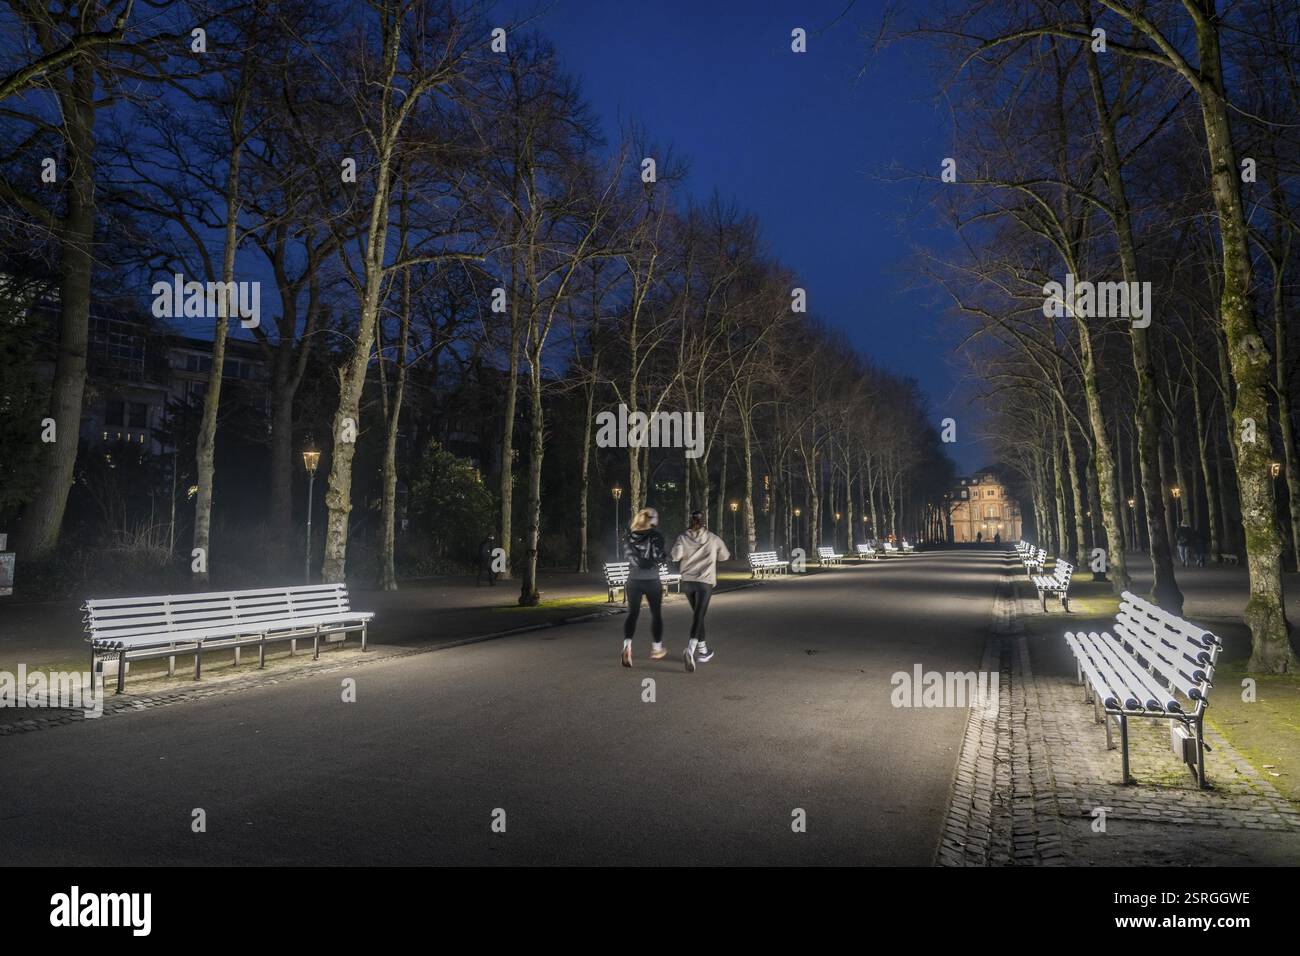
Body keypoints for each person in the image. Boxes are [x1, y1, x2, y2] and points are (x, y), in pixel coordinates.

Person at [671, 510, 731, 672]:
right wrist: (712, 553)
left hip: (688, 582)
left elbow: (675, 556)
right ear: (703, 522)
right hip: (705, 582)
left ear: (691, 521)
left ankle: (703, 651)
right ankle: (690, 650)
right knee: (699, 615)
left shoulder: (682, 537)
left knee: (698, 615)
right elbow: (725, 556)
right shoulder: (713, 538)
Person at [621, 507, 668, 667]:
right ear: (653, 520)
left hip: (633, 580)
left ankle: (627, 645)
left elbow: (628, 556)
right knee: (656, 614)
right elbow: (657, 556)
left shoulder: (628, 537)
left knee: (632, 614)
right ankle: (656, 648)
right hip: (652, 579)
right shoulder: (656, 536)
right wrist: (664, 558)